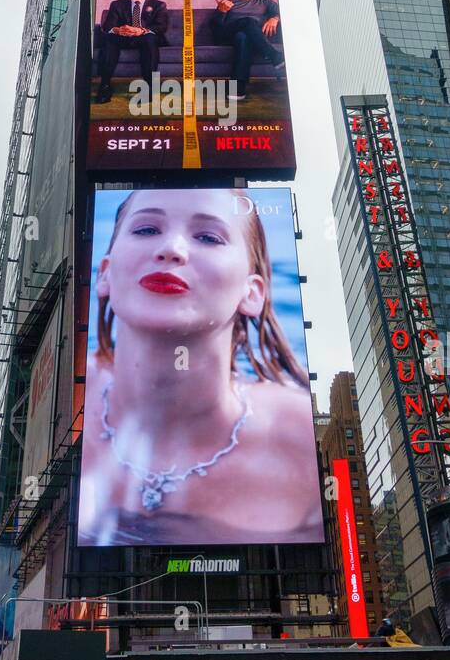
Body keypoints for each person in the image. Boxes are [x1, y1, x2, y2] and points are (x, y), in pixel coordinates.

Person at [78, 188, 324, 546]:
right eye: (146, 230)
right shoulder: (64, 408)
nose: (171, 249)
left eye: (208, 237)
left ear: (252, 292)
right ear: (104, 273)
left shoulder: (300, 442)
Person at [209, 0, 284, 102]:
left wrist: (275, 18)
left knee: (243, 37)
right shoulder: (227, 3)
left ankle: (238, 88)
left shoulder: (264, 1)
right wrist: (221, 11)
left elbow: (282, 11)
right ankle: (274, 56)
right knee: (248, 22)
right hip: (228, 35)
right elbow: (216, 28)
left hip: (254, 38)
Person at [95, 0, 168, 104]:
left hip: (145, 37)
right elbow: (108, 26)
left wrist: (140, 30)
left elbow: (161, 26)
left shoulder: (159, 5)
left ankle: (149, 87)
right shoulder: (117, 4)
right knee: (110, 39)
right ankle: (105, 85)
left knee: (150, 39)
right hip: (123, 37)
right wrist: (119, 29)